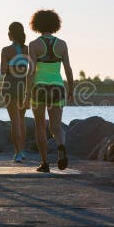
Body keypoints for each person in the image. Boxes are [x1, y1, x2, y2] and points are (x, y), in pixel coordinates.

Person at [27, 9, 74, 172]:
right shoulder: (62, 45)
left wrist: (27, 93)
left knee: (40, 126)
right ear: (55, 24)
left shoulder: (33, 45)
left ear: (36, 24)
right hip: (57, 87)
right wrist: (71, 90)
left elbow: (31, 71)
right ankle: (61, 146)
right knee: (56, 127)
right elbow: (68, 69)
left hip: (38, 87)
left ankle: (44, 163)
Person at [0, 22, 29, 163]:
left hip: (10, 85)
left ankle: (17, 153)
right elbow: (30, 70)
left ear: (10, 34)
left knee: (15, 121)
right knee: (21, 120)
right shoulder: (27, 50)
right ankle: (22, 151)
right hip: (23, 86)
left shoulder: (6, 50)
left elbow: (3, 70)